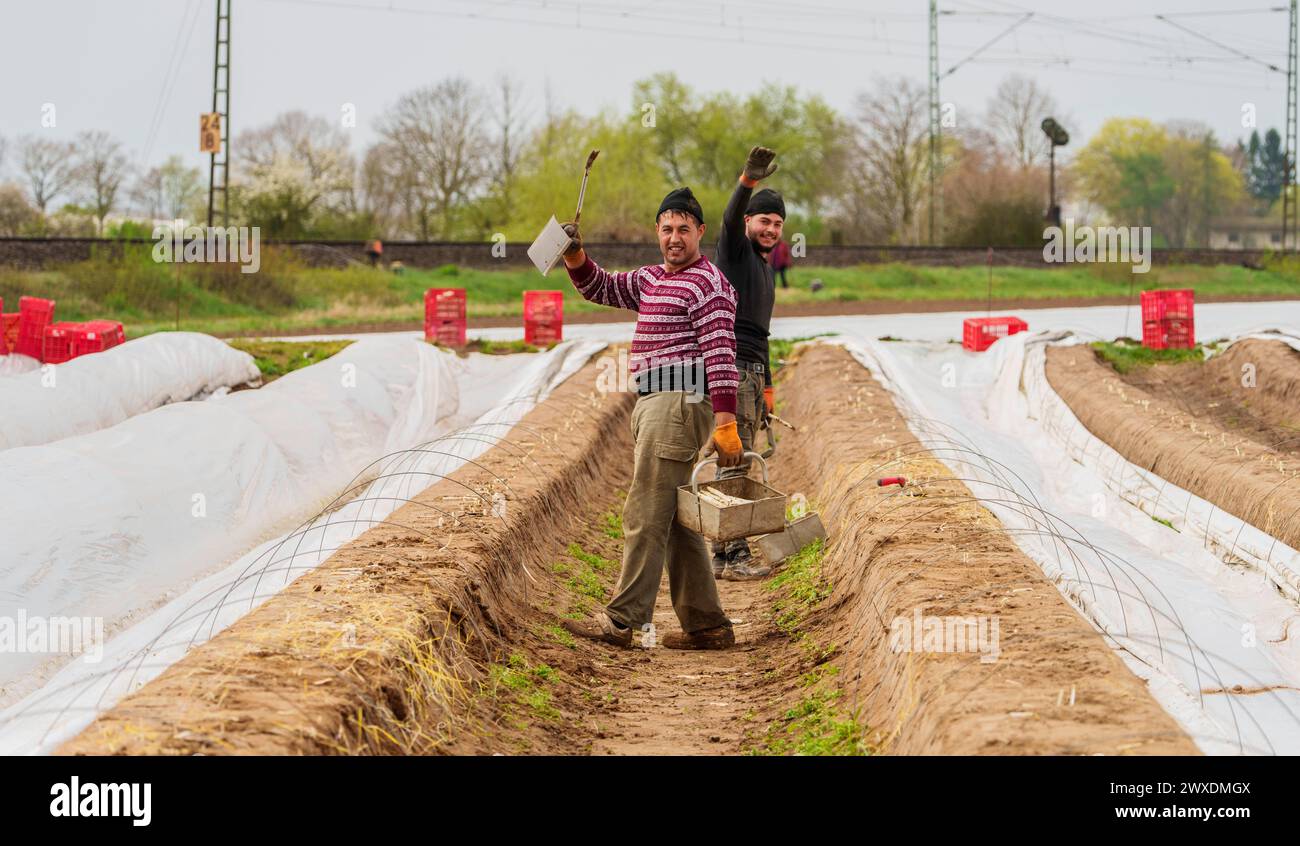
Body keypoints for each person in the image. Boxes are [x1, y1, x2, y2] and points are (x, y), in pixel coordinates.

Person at [559, 187, 743, 651]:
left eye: (684, 229)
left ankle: (624, 621)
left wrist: (726, 420)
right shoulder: (651, 279)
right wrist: (576, 254)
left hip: (679, 403)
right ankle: (707, 625)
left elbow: (721, 353)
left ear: (701, 232)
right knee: (677, 522)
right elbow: (600, 286)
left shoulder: (709, 284)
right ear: (657, 232)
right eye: (667, 229)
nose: (675, 238)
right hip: (653, 404)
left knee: (645, 512)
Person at [711, 146, 784, 580]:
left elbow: (764, 333)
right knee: (732, 460)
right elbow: (726, 217)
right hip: (733, 370)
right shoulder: (735, 254)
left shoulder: (765, 270)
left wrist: (769, 386)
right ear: (748, 224)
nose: (771, 229)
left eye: (777, 224)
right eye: (764, 221)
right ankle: (734, 553)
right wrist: (747, 181)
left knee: (741, 456)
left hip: (754, 373)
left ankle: (724, 554)